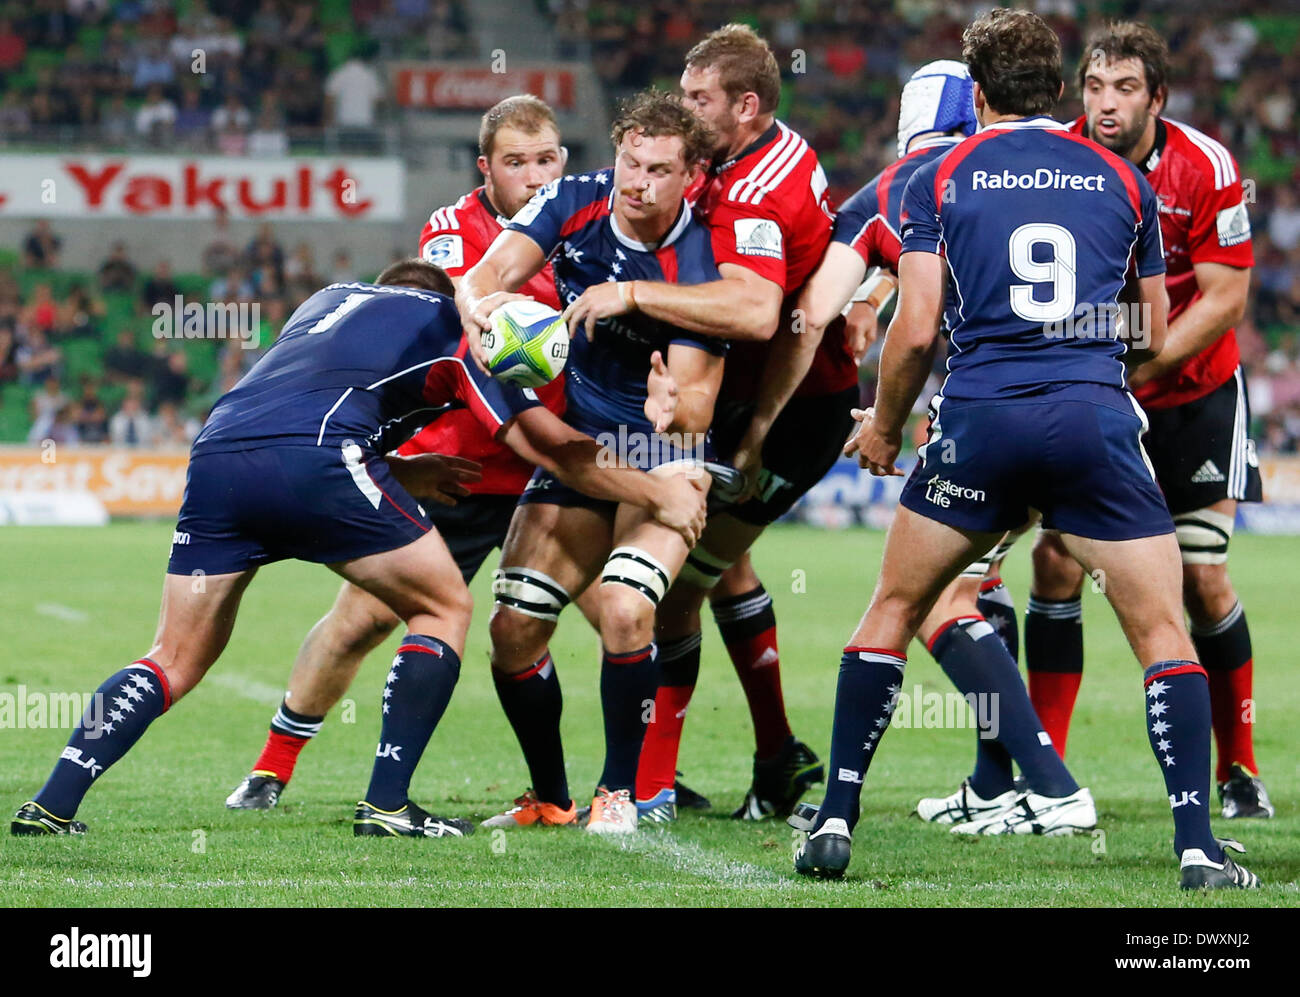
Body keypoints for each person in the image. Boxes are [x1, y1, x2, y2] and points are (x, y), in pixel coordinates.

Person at [793, 8, 1257, 890]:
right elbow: (1154, 326)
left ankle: (834, 821)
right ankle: (1198, 848)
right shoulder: (1123, 178)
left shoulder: (940, 172)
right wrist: (1080, 362)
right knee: (1164, 632)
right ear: (1061, 92)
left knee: (893, 608)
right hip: (1094, 421)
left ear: (975, 95)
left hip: (981, 421)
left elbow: (917, 326)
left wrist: (886, 424)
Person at [11, 260, 707, 839]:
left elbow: (306, 403)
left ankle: (52, 801)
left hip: (219, 454)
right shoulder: (452, 327)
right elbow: (549, 447)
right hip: (318, 460)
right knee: (444, 605)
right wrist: (656, 488)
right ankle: (388, 802)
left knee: (173, 656)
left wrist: (402, 470)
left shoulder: (325, 301)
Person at [225, 94, 576, 811]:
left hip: (551, 465)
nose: (535, 178)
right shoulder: (454, 226)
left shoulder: (585, 226)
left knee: (622, 607)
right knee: (362, 619)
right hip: (456, 463)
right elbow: (457, 298)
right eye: (516, 163)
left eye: (546, 161)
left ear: (563, 160)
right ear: (487, 169)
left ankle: (632, 782)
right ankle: (271, 767)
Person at [792, 61, 1085, 826]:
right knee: (984, 585)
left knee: (928, 600)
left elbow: (817, 310)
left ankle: (1053, 785)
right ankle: (997, 783)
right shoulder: (1060, 170)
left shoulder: (897, 188)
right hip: (1086, 404)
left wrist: (860, 406)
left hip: (985, 413)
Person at [1013, 21, 1270, 820]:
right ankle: (1045, 775)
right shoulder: (1054, 157)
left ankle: (1240, 768)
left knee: (1201, 575)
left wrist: (1143, 367)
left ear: (1157, 96)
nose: (1105, 104)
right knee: (1055, 562)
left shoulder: (1208, 168)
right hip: (1091, 396)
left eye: (1124, 88)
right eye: (1093, 87)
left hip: (1190, 394)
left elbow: (1226, 296)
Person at [460, 90, 726, 834]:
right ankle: (549, 797)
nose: (639, 183)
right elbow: (486, 276)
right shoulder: (574, 201)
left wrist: (674, 411)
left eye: (660, 170)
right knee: (513, 627)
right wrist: (483, 315)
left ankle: (620, 792)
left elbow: (699, 401)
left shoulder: (698, 258)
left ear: (690, 176)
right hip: (582, 448)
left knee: (624, 605)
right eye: (630, 163)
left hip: (662, 452)